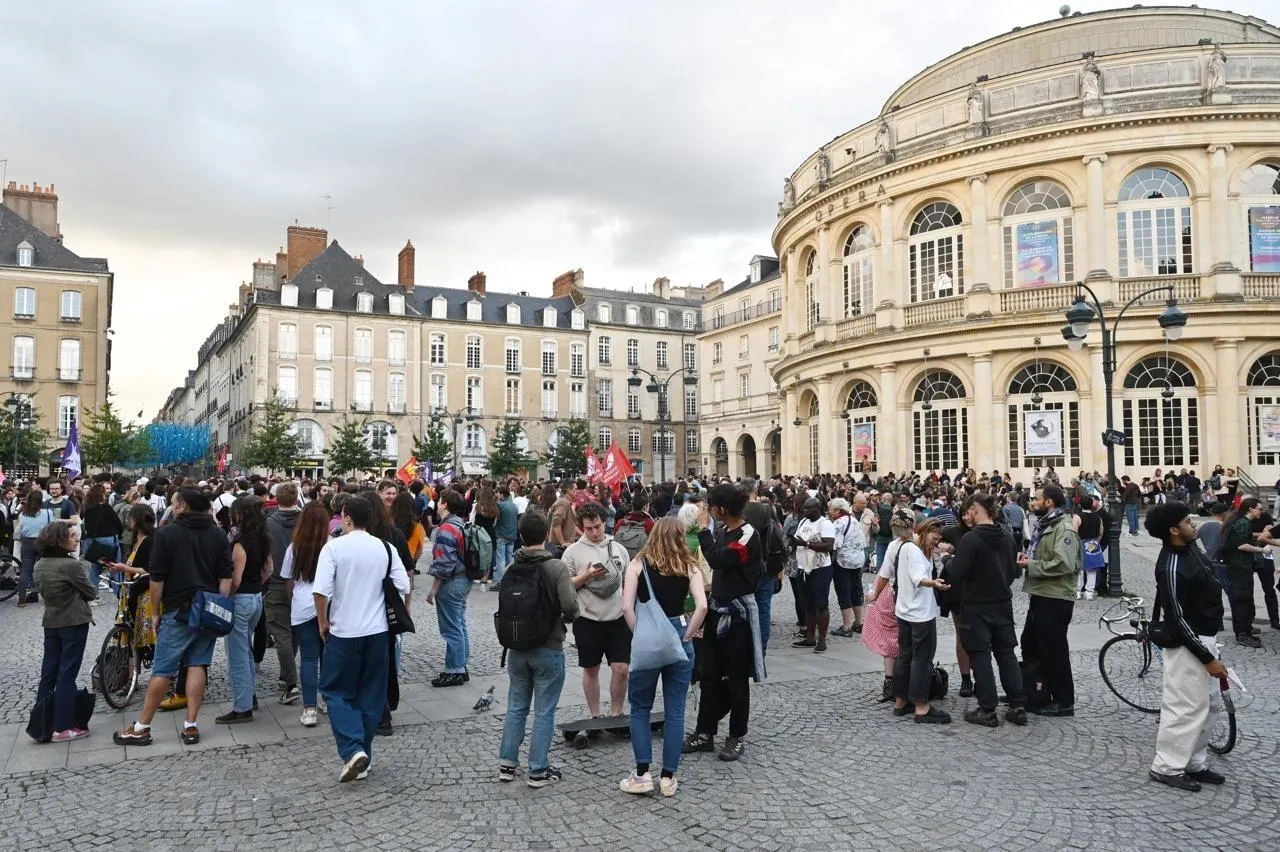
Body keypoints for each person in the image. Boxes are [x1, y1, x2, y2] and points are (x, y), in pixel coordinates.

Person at [114, 488, 233, 747]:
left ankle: (142, 726)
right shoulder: (217, 534)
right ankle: (191, 725)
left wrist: (155, 612)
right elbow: (226, 575)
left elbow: (157, 579)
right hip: (207, 610)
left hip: (178, 610)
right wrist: (218, 605)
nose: (171, 506)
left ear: (183, 506)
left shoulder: (167, 534)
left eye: (174, 503)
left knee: (163, 669)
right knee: (197, 664)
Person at [314, 496, 411, 782]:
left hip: (344, 630)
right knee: (370, 695)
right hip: (378, 631)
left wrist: (322, 621)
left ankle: (353, 748)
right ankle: (363, 756)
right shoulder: (386, 548)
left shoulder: (333, 548)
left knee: (335, 691)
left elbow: (321, 591)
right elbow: (404, 586)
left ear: (346, 518)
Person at [618, 517, 708, 797]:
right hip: (678, 633)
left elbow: (626, 608)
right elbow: (702, 606)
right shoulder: (689, 565)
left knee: (641, 707)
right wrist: (687, 634)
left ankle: (642, 773)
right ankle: (668, 777)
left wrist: (639, 633)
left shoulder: (637, 565)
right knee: (675, 711)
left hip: (647, 637)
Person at [1144, 502, 1229, 792]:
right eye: (1186, 520)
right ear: (1173, 530)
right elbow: (1177, 620)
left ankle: (1194, 761)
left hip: (1205, 636)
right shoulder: (1170, 564)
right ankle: (1167, 766)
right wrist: (1207, 658)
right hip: (1187, 645)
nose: (1192, 522)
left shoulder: (1191, 548)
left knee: (1209, 705)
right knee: (1185, 707)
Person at [497, 509, 579, 788]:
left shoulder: (511, 568)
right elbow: (570, 606)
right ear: (546, 535)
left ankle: (507, 764)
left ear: (520, 536)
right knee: (545, 710)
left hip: (517, 648)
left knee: (516, 707)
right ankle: (538, 770)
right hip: (548, 645)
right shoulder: (555, 567)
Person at [682, 484, 764, 762]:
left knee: (736, 679)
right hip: (717, 612)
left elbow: (718, 559)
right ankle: (705, 732)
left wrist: (703, 530)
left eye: (710, 507)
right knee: (708, 675)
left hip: (737, 617)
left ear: (720, 509)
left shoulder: (747, 536)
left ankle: (736, 735)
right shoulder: (723, 531)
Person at [947, 493, 1027, 727]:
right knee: (1006, 654)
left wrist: (946, 559)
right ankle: (1017, 705)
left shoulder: (972, 539)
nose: (967, 515)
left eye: (968, 510)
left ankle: (987, 709)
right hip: (1002, 602)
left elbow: (956, 572)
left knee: (980, 655)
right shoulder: (1007, 536)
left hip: (976, 604)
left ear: (974, 509)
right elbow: (1012, 571)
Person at [562, 502, 632, 725]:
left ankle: (616, 713)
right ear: (582, 527)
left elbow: (627, 580)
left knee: (621, 669)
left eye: (598, 527)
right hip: (588, 619)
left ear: (605, 523)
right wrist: (586, 577)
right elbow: (564, 585)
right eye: (589, 528)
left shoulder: (617, 547)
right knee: (591, 668)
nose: (594, 532)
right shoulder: (572, 552)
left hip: (617, 618)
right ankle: (595, 715)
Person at [1018, 485, 1081, 716]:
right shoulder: (1046, 525)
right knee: (1030, 643)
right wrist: (1029, 558)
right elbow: (1044, 556)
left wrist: (1031, 565)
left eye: (1037, 499)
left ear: (1050, 503)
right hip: (1041, 593)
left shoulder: (1063, 529)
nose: (1033, 502)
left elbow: (1064, 564)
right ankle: (1035, 690)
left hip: (1055, 597)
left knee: (1054, 650)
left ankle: (1064, 701)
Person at [33, 520, 97, 741]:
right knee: (67, 674)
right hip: (72, 622)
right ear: (59, 541)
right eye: (71, 536)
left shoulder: (40, 564)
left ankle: (42, 724)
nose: (76, 538)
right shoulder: (71, 565)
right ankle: (63, 726)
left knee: (48, 673)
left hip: (51, 622)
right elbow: (91, 592)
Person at [889, 518, 951, 724]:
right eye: (936, 537)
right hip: (920, 614)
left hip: (904, 611)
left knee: (905, 655)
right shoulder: (915, 551)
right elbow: (918, 578)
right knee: (921, 659)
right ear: (925, 532)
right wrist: (934, 583)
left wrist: (936, 547)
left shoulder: (905, 546)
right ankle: (921, 706)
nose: (936, 542)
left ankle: (901, 700)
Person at [218, 496, 270, 725]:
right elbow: (270, 568)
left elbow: (235, 579)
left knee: (237, 655)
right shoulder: (262, 538)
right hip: (256, 597)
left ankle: (242, 706)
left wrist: (224, 598)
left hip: (241, 599)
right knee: (245, 650)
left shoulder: (240, 543)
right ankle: (249, 696)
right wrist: (257, 584)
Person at [280, 502, 332, 727]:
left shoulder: (294, 547)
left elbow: (288, 579)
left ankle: (309, 708)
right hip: (329, 605)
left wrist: (293, 600)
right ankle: (328, 699)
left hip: (302, 604)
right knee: (328, 656)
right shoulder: (332, 546)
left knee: (308, 658)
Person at [427, 490, 472, 687]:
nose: (437, 503)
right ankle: (461, 666)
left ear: (445, 504)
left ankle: (454, 670)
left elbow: (444, 563)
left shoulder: (447, 528)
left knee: (451, 628)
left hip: (452, 581)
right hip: (464, 579)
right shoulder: (460, 523)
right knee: (459, 624)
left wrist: (433, 590)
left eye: (439, 501)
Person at [864, 509, 910, 702]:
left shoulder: (894, 546)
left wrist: (874, 594)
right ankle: (906, 682)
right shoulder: (919, 543)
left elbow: (885, 574)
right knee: (908, 641)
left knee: (890, 640)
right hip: (911, 598)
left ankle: (890, 682)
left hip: (891, 594)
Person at [264, 482, 302, 706]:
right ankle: (286, 675)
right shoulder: (306, 522)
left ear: (276, 499)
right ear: (297, 498)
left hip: (276, 583)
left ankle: (290, 683)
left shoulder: (268, 523)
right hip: (300, 585)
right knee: (293, 631)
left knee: (281, 634)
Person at [791, 497, 836, 653]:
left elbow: (829, 545)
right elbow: (798, 538)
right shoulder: (803, 522)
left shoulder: (825, 524)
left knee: (821, 604)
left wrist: (807, 544)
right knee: (808, 604)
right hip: (803, 567)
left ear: (817, 508)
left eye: (808, 508)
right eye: (804, 508)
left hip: (820, 568)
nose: (805, 511)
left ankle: (822, 639)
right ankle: (810, 637)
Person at [1220, 497, 1266, 648]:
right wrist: (1261, 549)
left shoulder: (1241, 522)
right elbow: (1241, 545)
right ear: (1251, 509)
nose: (1261, 511)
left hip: (1240, 566)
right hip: (1239, 566)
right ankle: (1242, 634)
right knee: (1242, 600)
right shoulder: (1243, 523)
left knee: (1244, 599)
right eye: (1259, 508)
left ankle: (1245, 630)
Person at [829, 497, 867, 637]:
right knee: (856, 590)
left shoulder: (838, 523)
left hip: (843, 562)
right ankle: (859, 622)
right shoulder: (854, 520)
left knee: (844, 591)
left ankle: (846, 627)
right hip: (858, 560)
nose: (830, 513)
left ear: (838, 510)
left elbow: (835, 544)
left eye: (832, 510)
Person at [80, 483, 123, 596]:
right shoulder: (106, 507)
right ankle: (118, 592)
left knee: (95, 569)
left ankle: (93, 595)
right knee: (114, 567)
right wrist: (120, 533)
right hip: (109, 539)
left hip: (94, 541)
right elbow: (117, 523)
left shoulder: (88, 509)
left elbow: (87, 527)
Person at [16, 489, 56, 607]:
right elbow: (52, 527)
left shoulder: (23, 514)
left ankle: (22, 599)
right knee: (45, 570)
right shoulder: (48, 512)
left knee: (25, 571)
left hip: (27, 543)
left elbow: (21, 528)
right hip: (42, 542)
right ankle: (49, 597)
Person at [1074, 496, 1106, 600]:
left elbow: (1073, 532)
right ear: (1092, 505)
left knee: (1078, 568)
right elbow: (1101, 532)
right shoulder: (1098, 517)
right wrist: (1097, 542)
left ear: (1080, 505)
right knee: (1092, 569)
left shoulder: (1077, 517)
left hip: (1080, 543)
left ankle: (1077, 591)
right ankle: (1089, 592)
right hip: (1093, 543)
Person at [492, 485, 519, 588]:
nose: (497, 495)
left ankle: (500, 582)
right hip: (512, 535)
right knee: (509, 559)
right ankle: (512, 580)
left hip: (502, 534)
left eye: (498, 493)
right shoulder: (513, 505)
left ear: (502, 494)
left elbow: (495, 521)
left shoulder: (500, 505)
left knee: (500, 560)